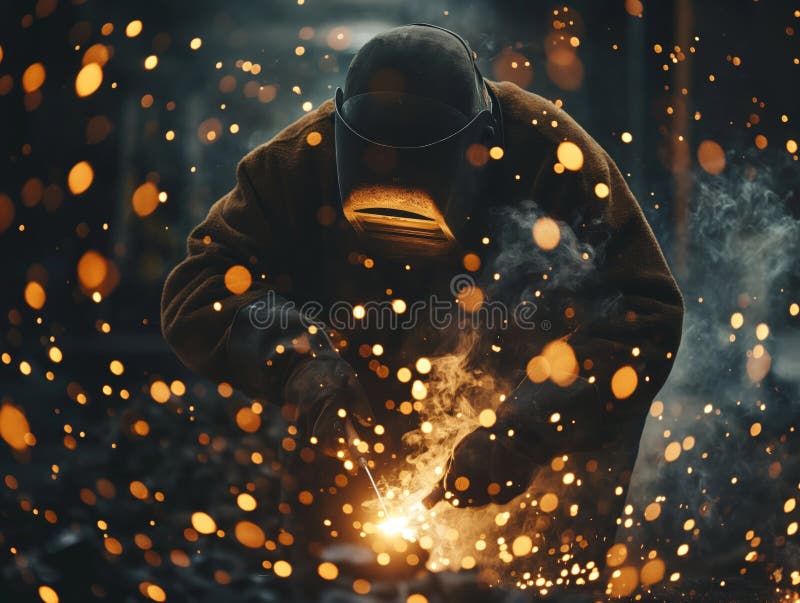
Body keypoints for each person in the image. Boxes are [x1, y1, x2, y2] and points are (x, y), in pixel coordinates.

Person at [161, 23, 684, 597]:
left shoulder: (551, 156)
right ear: (341, 133)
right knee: (348, 579)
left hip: (535, 429)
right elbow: (201, 287)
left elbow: (643, 311)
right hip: (356, 423)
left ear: (482, 142)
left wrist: (527, 432)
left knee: (525, 587)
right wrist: (301, 367)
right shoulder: (292, 167)